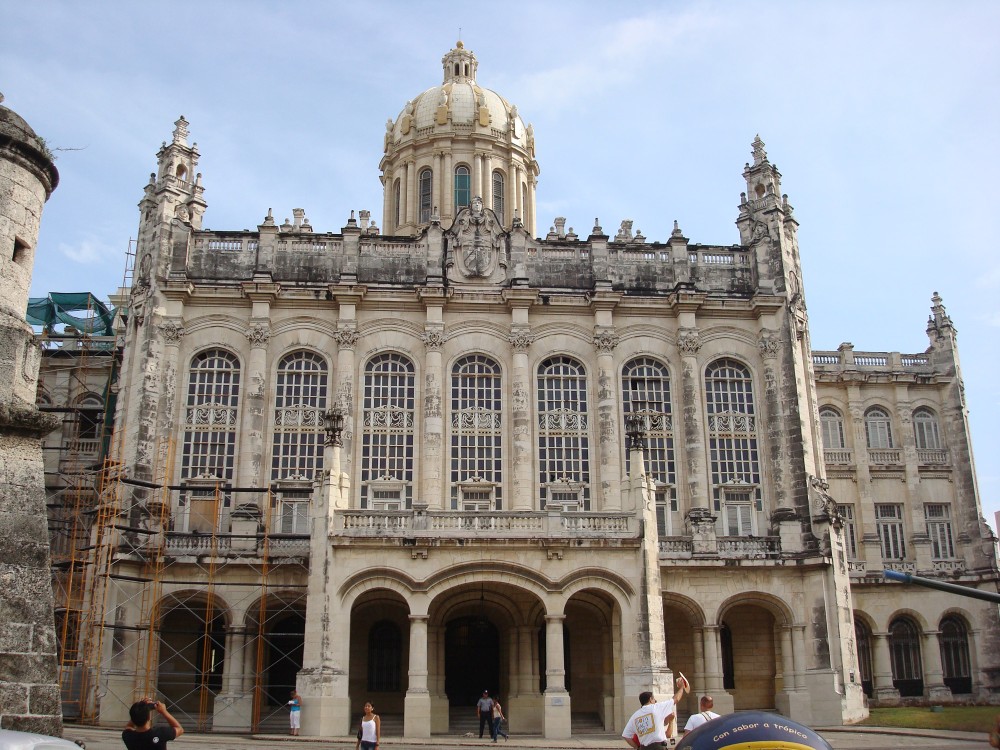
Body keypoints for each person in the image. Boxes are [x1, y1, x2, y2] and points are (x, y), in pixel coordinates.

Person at [621, 676, 690, 749]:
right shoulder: (656, 708)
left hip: (644, 747)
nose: (655, 701)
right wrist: (681, 688)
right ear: (650, 699)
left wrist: (637, 747)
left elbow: (626, 735)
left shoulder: (635, 716)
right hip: (658, 747)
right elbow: (675, 699)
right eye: (654, 699)